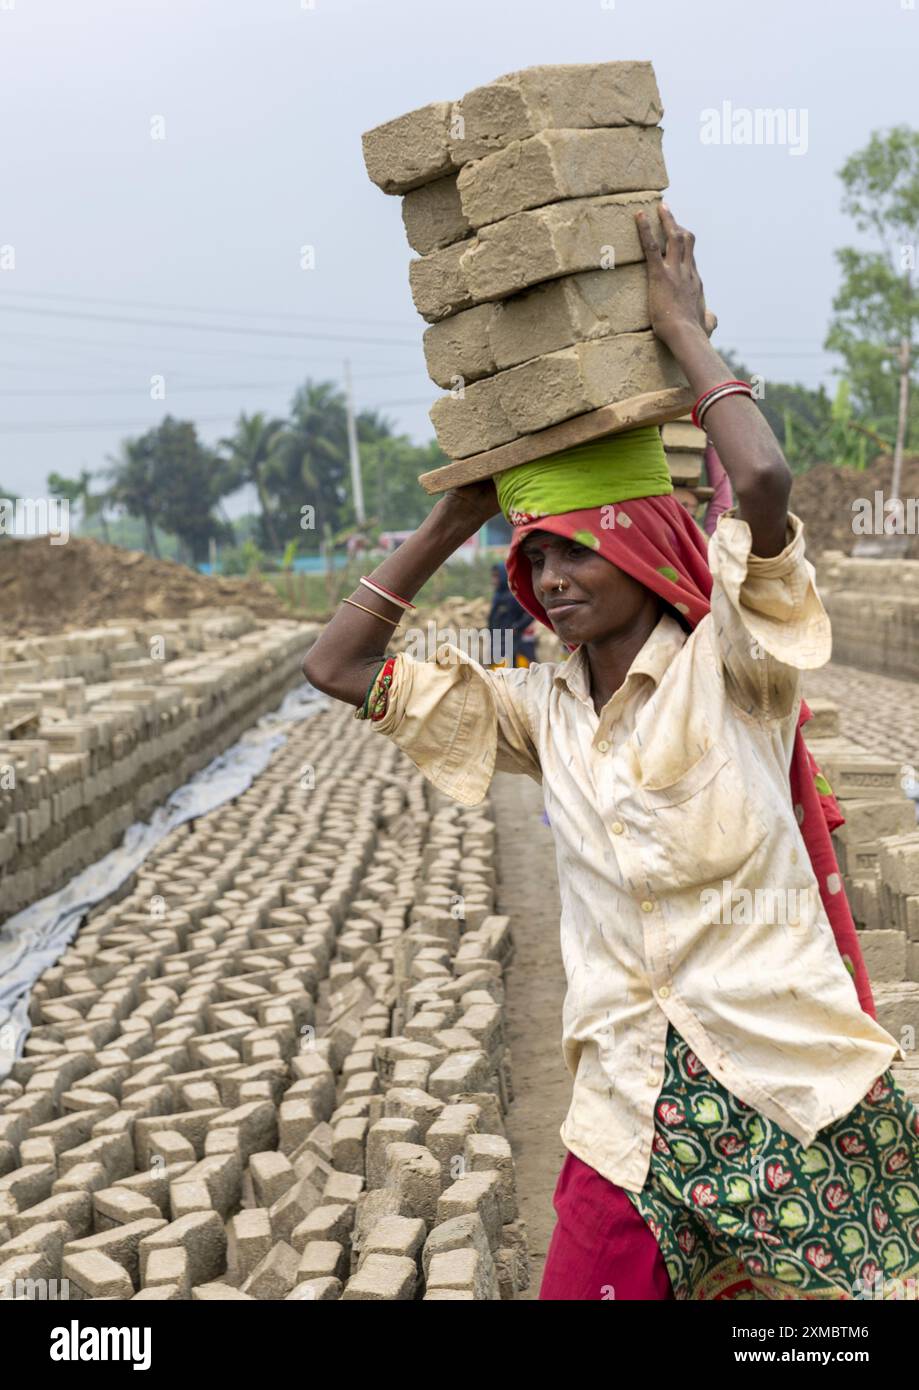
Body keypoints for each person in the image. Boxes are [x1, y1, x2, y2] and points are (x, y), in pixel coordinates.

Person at [302, 203, 918, 1301]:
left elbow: (765, 489)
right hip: (630, 1113)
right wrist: (458, 516)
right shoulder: (538, 711)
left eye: (574, 552)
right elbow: (340, 669)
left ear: (637, 540)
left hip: (780, 1086)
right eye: (533, 563)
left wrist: (681, 332)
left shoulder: (737, 668)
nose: (550, 583)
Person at [672, 441, 733, 536]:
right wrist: (711, 442)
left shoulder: (650, 538)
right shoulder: (709, 543)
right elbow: (721, 505)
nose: (686, 509)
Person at [488, 561, 536, 667]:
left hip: (512, 645)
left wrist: (517, 627)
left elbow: (531, 613)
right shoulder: (497, 596)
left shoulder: (514, 596)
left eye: (496, 576)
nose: (494, 580)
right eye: (493, 576)